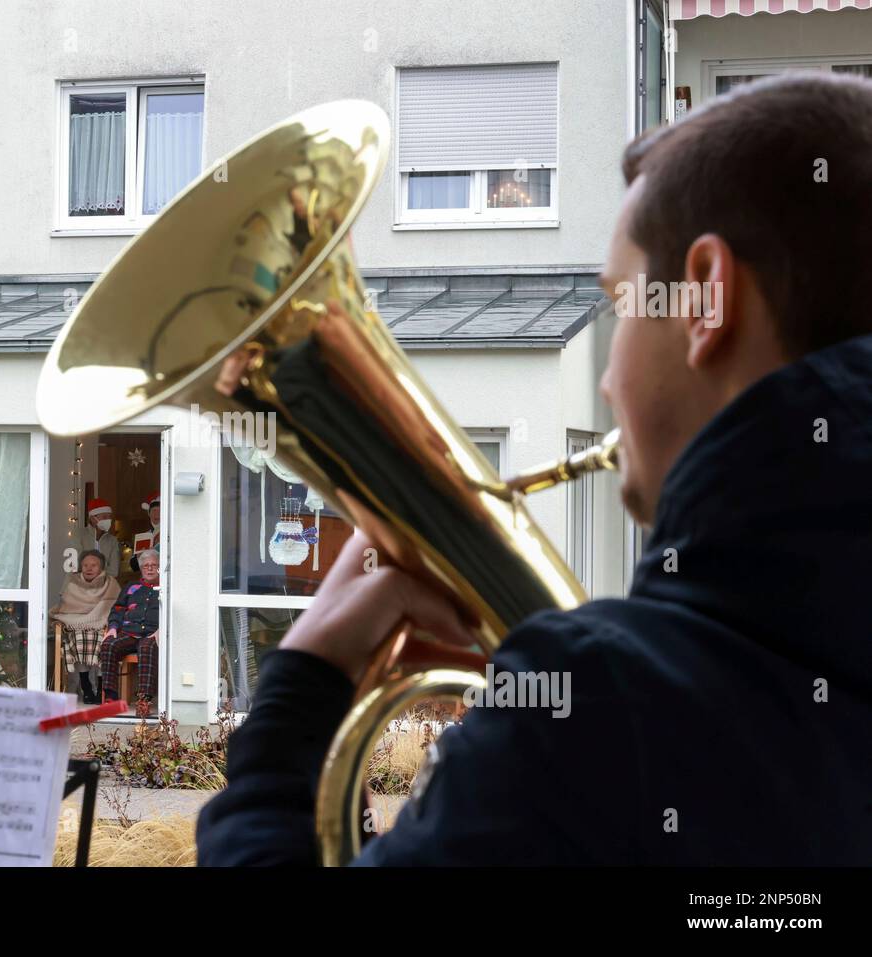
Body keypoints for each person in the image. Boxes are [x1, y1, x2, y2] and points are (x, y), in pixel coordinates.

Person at [196, 73, 872, 866]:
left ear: (705, 301)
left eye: (621, 303)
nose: (610, 381)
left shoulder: (594, 718)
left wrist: (300, 689)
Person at [50, 550, 121, 704]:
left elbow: (115, 608)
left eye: (93, 565)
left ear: (101, 567)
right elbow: (67, 607)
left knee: (105, 642)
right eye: (85, 565)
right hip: (76, 624)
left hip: (102, 624)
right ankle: (86, 686)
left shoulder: (111, 583)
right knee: (79, 638)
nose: (89, 568)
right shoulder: (72, 583)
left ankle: (102, 687)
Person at [99, 549, 161, 718]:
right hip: (129, 632)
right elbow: (117, 609)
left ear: (160, 567)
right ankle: (111, 698)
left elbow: (172, 611)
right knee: (108, 644)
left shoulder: (165, 588)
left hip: (152, 633)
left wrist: (162, 629)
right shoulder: (131, 588)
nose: (149, 569)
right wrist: (112, 628)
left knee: (147, 647)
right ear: (141, 569)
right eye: (146, 566)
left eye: (153, 565)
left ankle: (144, 701)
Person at [79, 498, 121, 581]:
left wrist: (90, 570)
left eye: (109, 517)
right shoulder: (79, 536)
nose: (108, 520)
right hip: (80, 588)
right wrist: (101, 571)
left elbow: (114, 571)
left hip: (103, 589)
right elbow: (76, 567)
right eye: (104, 517)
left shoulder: (112, 541)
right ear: (92, 518)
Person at [130, 491, 161, 576]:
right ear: (149, 514)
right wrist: (139, 556)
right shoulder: (144, 536)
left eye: (160, 510)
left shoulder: (170, 535)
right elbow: (134, 567)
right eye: (154, 510)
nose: (156, 514)